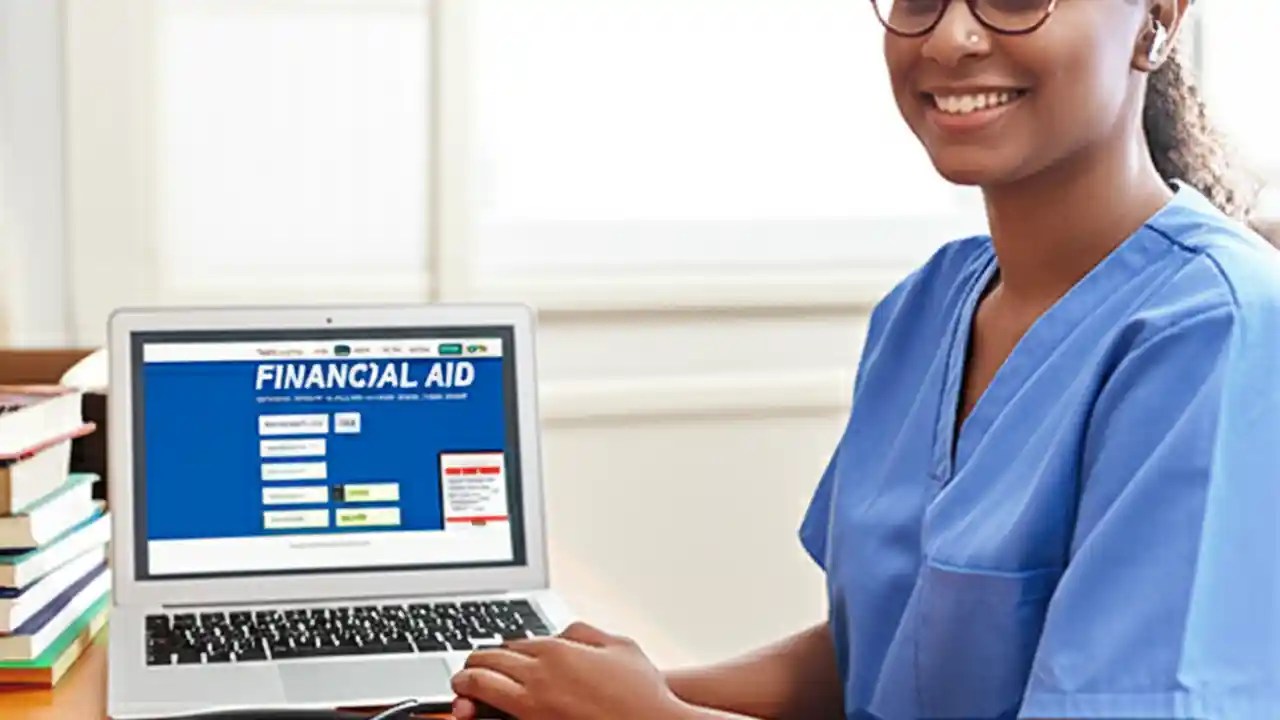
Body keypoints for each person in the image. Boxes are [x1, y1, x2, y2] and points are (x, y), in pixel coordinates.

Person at [451, 0, 1280, 717]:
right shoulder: (926, 306)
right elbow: (884, 650)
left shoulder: (1214, 330)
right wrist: (606, 690)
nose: (952, 36)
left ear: (1159, 21)